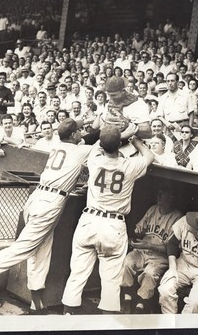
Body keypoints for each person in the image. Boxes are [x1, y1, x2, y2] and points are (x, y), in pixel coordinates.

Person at [0, 119, 98, 313]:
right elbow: (101, 140)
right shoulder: (80, 150)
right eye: (78, 132)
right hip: (50, 202)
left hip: (37, 197)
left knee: (40, 253)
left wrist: (87, 122)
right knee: (22, 249)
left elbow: (80, 134)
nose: (81, 134)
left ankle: (36, 304)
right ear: (73, 135)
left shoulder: (58, 144)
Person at [61, 126, 155, 314]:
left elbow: (99, 143)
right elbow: (149, 156)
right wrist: (135, 138)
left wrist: (121, 135)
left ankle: (67, 318)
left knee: (77, 275)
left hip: (89, 220)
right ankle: (106, 324)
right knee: (111, 280)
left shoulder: (94, 159)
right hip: (113, 224)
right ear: (119, 145)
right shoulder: (129, 165)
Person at [121, 188, 182, 314]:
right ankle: (127, 298)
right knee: (127, 262)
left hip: (160, 257)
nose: (159, 199)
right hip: (142, 251)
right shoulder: (153, 209)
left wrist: (148, 245)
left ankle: (141, 305)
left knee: (150, 273)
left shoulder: (178, 218)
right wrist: (139, 232)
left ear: (171, 199)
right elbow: (140, 227)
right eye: (159, 196)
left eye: (163, 197)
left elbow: (172, 248)